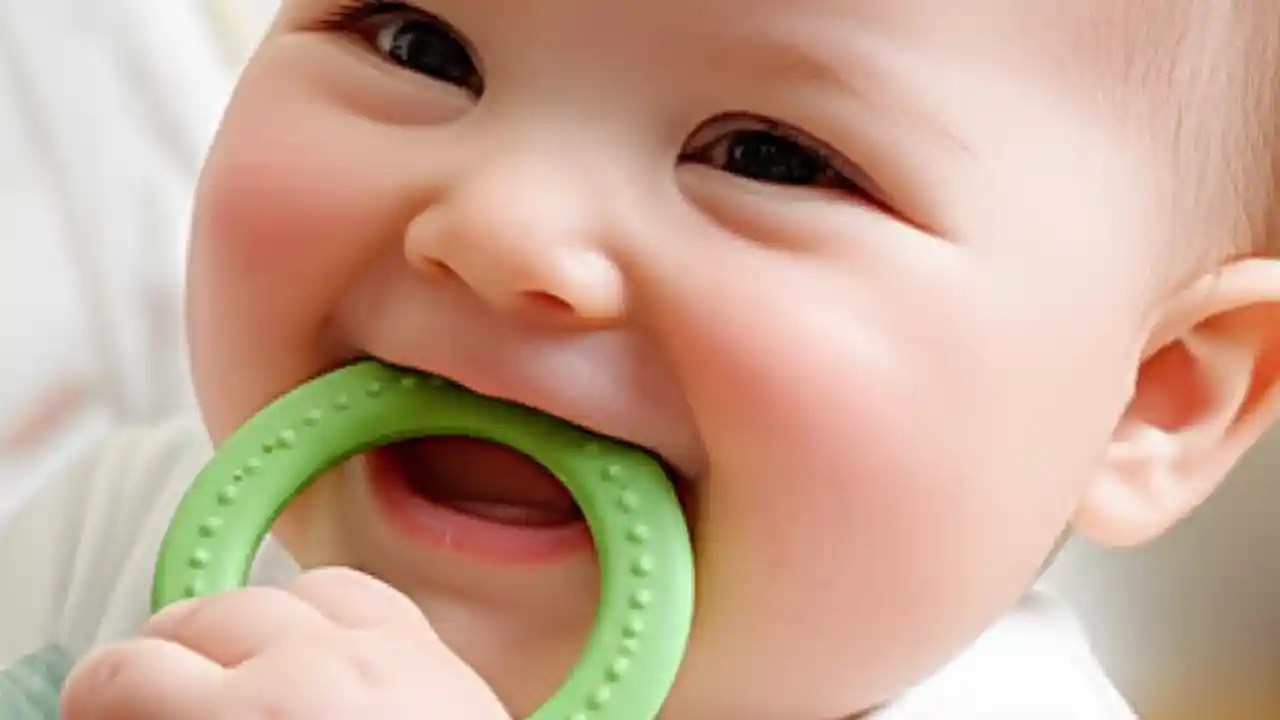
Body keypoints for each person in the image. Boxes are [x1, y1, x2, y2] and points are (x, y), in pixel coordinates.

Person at [2, 0, 1278, 717]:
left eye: (767, 157)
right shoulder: (106, 532)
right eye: (416, 45)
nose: (503, 230)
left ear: (1149, 396)